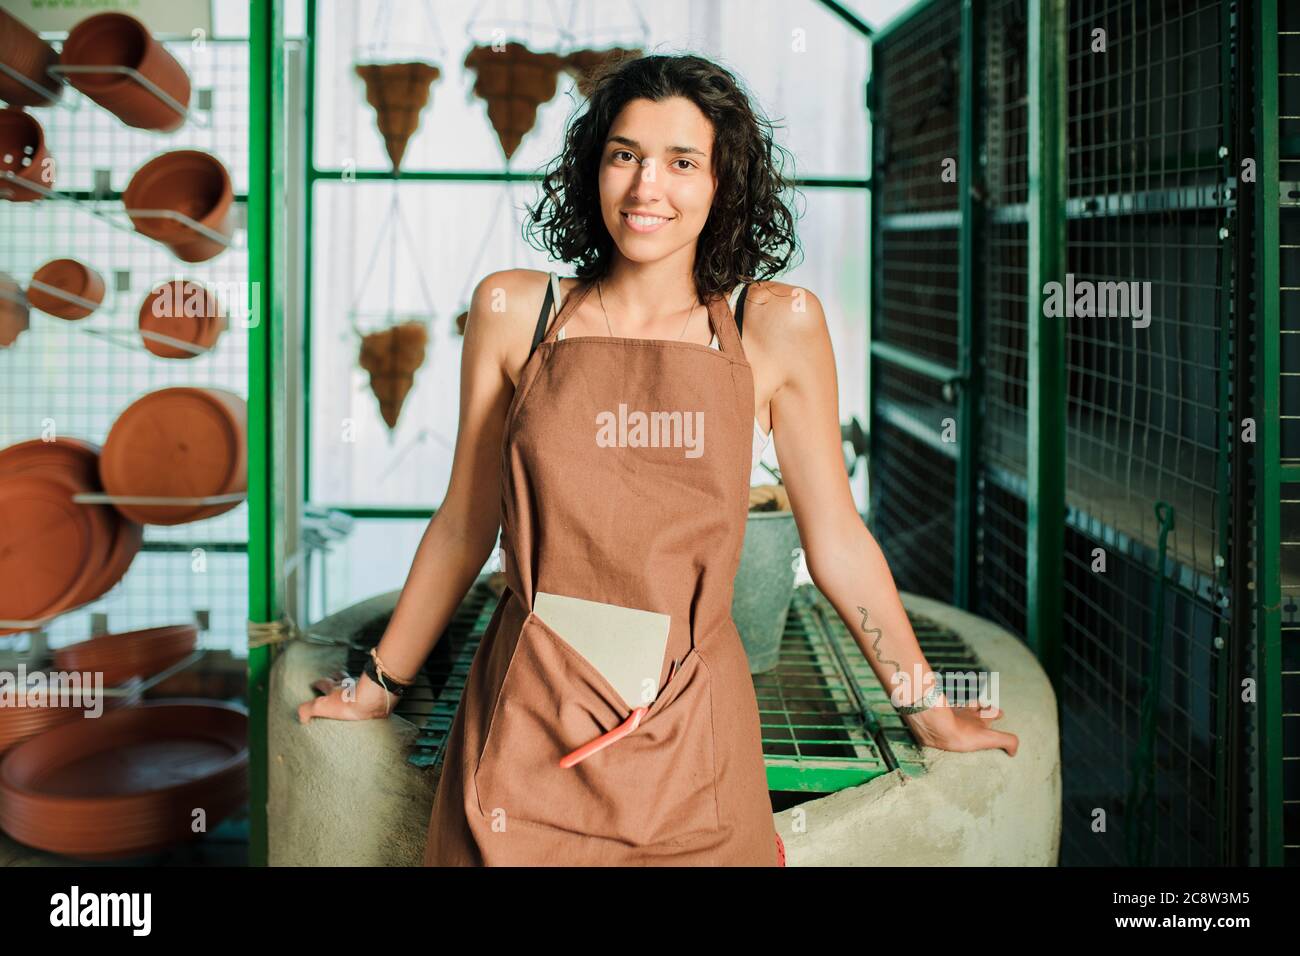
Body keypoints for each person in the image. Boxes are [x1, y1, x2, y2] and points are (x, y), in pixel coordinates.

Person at [298, 52, 1018, 866]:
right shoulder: (514, 311)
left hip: (692, 725)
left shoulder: (775, 323)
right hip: (528, 714)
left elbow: (837, 539)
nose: (647, 188)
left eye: (683, 162)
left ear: (723, 183)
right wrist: (378, 687)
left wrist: (924, 705)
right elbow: (466, 522)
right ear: (593, 168)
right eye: (625, 154)